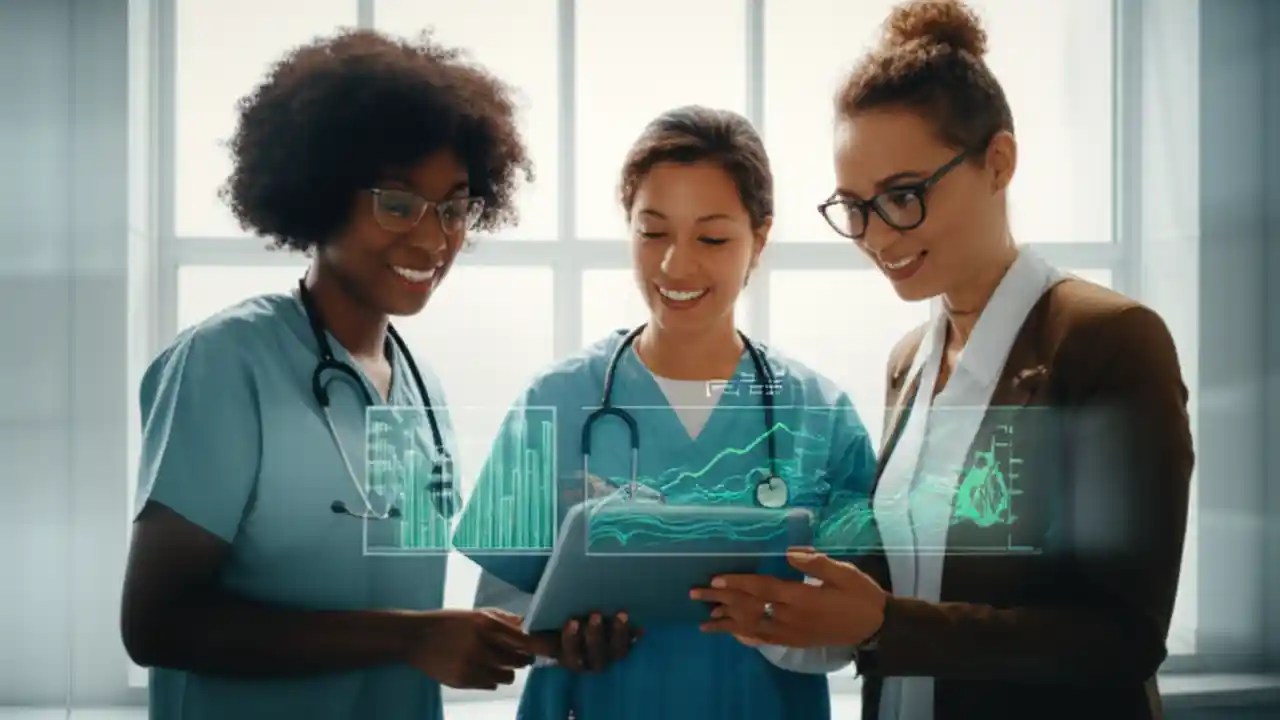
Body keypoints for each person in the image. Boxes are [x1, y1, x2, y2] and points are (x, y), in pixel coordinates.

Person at [691, 2, 1194, 719]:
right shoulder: (910, 361)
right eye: (855, 206)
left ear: (999, 163)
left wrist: (884, 625)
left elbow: (1121, 636)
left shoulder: (1109, 341)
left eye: (903, 196)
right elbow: (908, 583)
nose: (876, 235)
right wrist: (783, 610)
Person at [120, 30, 541, 720]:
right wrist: (410, 639)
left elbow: (396, 596)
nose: (435, 240)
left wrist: (541, 637)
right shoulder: (225, 364)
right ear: (318, 195)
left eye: (454, 208)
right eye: (398, 204)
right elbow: (157, 625)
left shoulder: (419, 389)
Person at [449, 106, 880, 719]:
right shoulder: (555, 402)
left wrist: (781, 626)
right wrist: (553, 642)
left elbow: (860, 619)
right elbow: (496, 620)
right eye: (652, 233)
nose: (676, 265)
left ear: (759, 239)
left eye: (711, 238)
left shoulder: (820, 415)